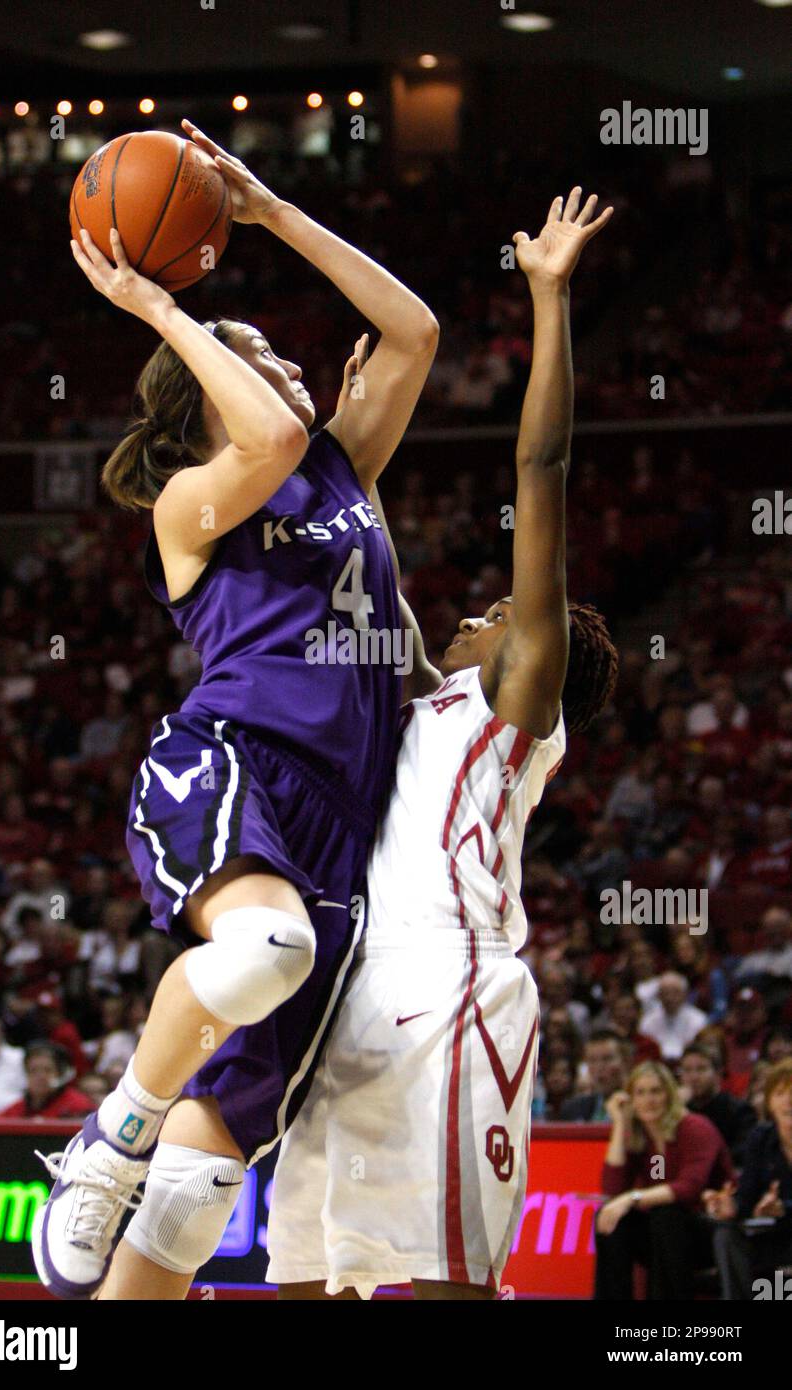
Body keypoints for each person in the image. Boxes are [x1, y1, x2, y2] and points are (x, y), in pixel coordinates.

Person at [34, 118, 439, 1301]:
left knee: (204, 1181)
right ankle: (106, 1143)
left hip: (342, 829)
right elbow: (261, 428)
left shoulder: (339, 473)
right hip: (235, 766)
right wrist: (168, 313)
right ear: (207, 393)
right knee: (263, 949)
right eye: (266, 356)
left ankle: (136, 1212)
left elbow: (412, 332)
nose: (298, 372)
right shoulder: (191, 502)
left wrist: (265, 213)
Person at [263, 187, 618, 1299]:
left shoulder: (516, 710)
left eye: (503, 612)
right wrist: (344, 433)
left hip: (451, 984)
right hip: (347, 986)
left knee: (446, 1282)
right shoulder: (409, 695)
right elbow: (353, 556)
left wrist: (548, 300)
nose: (482, 610)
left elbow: (539, 471)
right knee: (313, 1277)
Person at [594, 1061, 734, 1300]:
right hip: (664, 1233)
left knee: (665, 1214)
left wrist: (633, 1197)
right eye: (640, 1092)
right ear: (631, 1100)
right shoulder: (649, 1142)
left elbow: (690, 1187)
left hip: (710, 1229)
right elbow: (613, 1188)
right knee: (611, 1218)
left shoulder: (695, 1128)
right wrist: (619, 1124)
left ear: (669, 1095)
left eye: (656, 1091)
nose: (649, 1100)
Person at [705, 1058, 792, 1299]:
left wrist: (782, 1207)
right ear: (770, 1103)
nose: (789, 1101)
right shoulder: (760, 1139)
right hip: (772, 1234)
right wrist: (731, 1207)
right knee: (726, 1234)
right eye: (781, 1093)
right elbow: (747, 1198)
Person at [678, 1043, 757, 1166]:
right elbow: (660, 1156)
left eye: (701, 1069)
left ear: (718, 1073)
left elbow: (742, 1155)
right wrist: (677, 1107)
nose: (694, 1077)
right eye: (687, 1070)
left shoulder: (740, 1111)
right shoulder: (676, 1110)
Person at [0, 1043, 95, 1120]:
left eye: (48, 1070)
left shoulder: (79, 1106)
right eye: (33, 1070)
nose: (40, 1076)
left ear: (61, 1074)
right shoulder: (15, 1111)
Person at [560, 1029, 628, 1122]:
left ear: (625, 1061)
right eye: (592, 1060)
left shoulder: (642, 1108)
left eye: (607, 1059)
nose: (599, 1067)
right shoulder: (572, 1109)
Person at [639, 971, 708, 1061]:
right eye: (665, 993)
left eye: (675, 992)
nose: (670, 997)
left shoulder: (699, 1019)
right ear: (659, 996)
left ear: (685, 994)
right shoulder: (647, 1020)